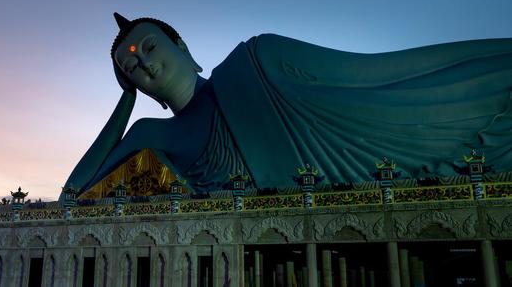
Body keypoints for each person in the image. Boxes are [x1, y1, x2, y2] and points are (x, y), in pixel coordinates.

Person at [63, 13, 512, 195]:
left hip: (352, 168)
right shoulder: (150, 133)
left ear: (179, 43)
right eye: (132, 69)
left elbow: (375, 78)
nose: (146, 67)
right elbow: (72, 195)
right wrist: (123, 100)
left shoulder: (258, 62)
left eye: (151, 48)